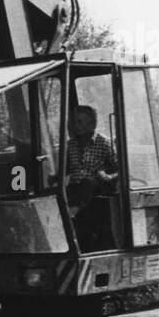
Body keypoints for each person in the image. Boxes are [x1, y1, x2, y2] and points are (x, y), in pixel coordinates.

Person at [65, 105, 119, 251]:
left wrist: (107, 176)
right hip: (75, 188)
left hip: (96, 187)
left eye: (81, 122)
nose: (77, 126)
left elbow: (120, 169)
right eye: (75, 122)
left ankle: (73, 210)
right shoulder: (71, 145)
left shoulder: (104, 143)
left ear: (92, 124)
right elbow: (67, 168)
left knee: (87, 182)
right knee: (66, 191)